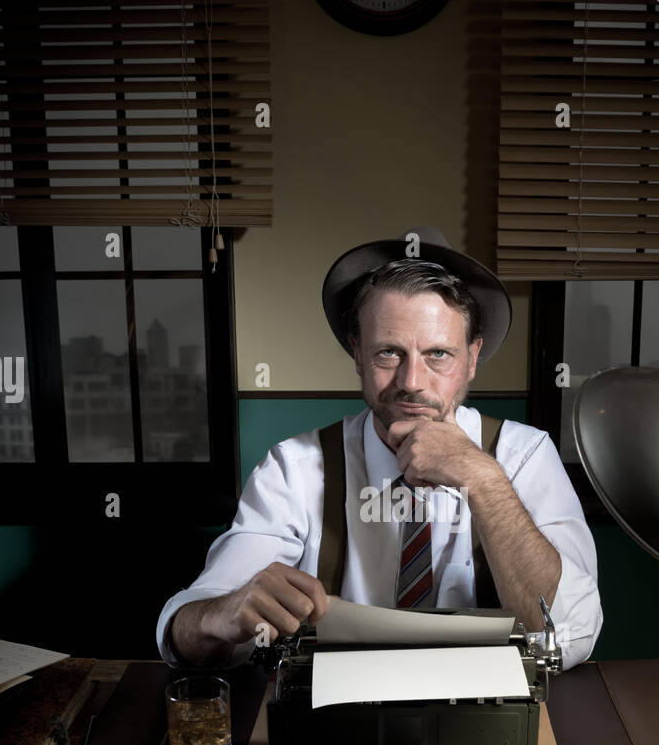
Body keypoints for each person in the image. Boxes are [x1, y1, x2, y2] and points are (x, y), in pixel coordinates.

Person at [157, 227, 602, 669]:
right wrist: (224, 613)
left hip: (486, 712)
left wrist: (484, 480)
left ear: (471, 359)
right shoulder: (294, 469)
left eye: (438, 355)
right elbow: (186, 631)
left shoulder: (525, 456)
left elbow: (571, 636)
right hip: (336, 716)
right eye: (389, 353)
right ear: (357, 353)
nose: (411, 383)